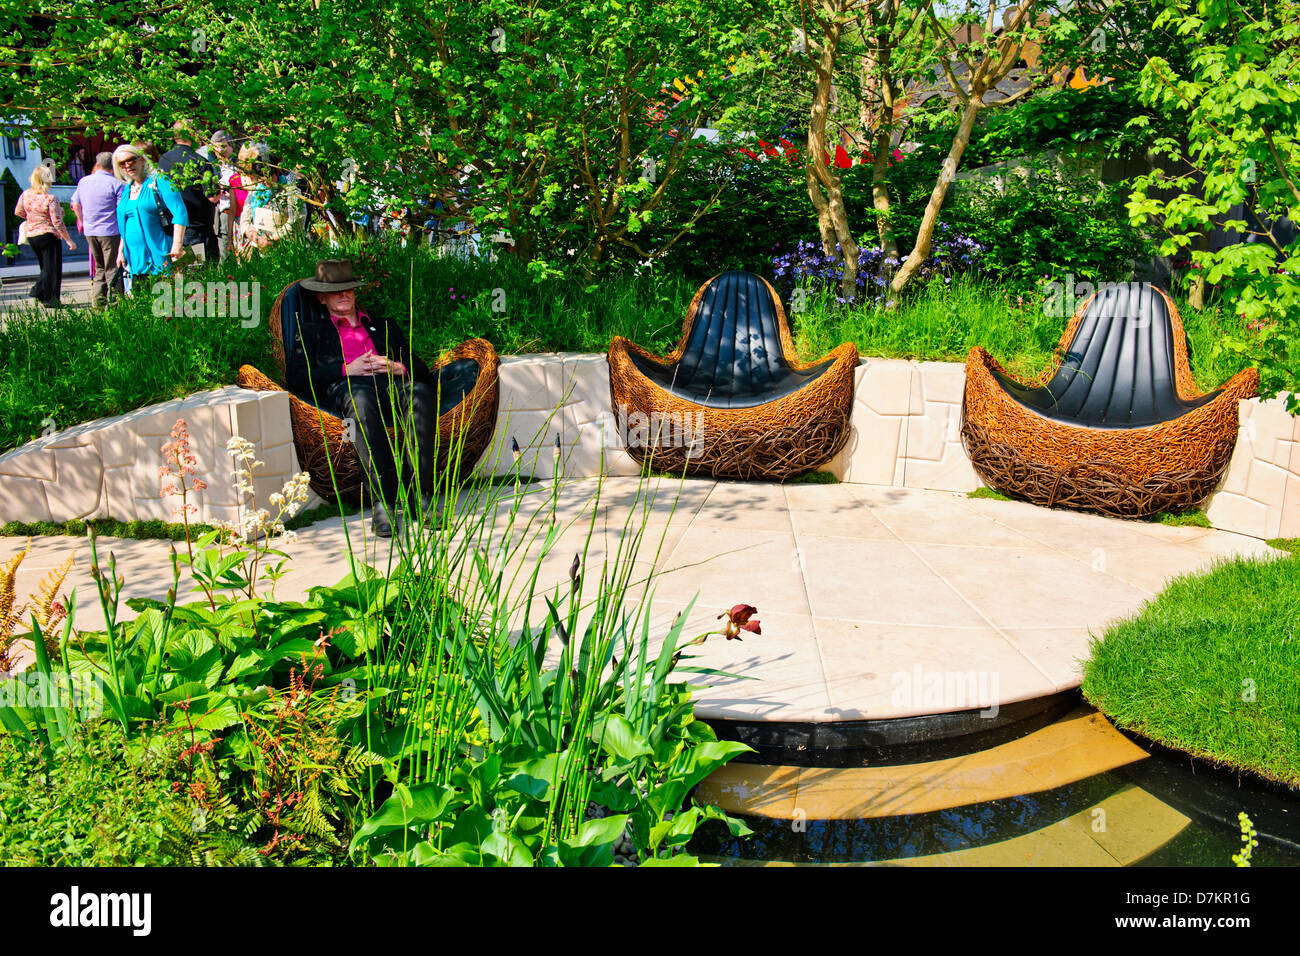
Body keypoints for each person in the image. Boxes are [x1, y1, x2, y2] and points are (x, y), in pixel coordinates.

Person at [286, 259, 439, 537]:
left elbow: (421, 369)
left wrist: (397, 367)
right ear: (322, 298)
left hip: (390, 382)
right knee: (360, 403)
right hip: (348, 387)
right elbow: (296, 376)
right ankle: (384, 501)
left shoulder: (383, 326)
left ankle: (421, 494)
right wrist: (346, 369)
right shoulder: (311, 331)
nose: (344, 295)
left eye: (348, 290)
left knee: (420, 392)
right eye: (336, 291)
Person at [112, 144, 189, 282]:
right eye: (122, 164)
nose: (127, 165)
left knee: (165, 300)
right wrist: (120, 251)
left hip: (160, 253)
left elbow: (180, 212)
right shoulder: (127, 190)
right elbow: (126, 224)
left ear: (142, 159)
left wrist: (177, 245)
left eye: (131, 160)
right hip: (135, 260)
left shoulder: (160, 181)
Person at [14, 165, 77, 307]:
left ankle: (43, 296)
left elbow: (18, 212)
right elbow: (57, 222)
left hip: (32, 235)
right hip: (48, 235)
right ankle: (48, 298)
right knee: (53, 268)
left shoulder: (25, 195)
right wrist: (68, 240)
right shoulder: (50, 198)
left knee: (45, 267)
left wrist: (32, 217)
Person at [158, 121, 220, 263]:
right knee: (206, 277)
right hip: (199, 230)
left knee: (184, 277)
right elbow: (212, 197)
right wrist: (221, 189)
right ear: (191, 135)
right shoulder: (199, 161)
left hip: (173, 230)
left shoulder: (163, 160)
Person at [70, 151, 125, 308]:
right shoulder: (115, 184)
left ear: (98, 164)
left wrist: (83, 220)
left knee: (99, 266)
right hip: (110, 231)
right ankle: (116, 303)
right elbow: (121, 209)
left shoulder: (84, 181)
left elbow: (75, 205)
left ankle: (98, 301)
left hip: (90, 231)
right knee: (112, 267)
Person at [238, 144, 303, 255]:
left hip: (285, 250)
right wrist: (254, 236)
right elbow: (245, 221)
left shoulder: (290, 192)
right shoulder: (254, 193)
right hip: (258, 249)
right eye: (261, 178)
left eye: (269, 176)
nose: (266, 181)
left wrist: (271, 239)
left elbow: (295, 222)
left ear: (276, 172)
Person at [198, 129, 237, 259]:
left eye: (224, 146)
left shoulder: (239, 165)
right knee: (224, 250)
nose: (220, 151)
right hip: (222, 213)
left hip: (239, 212)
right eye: (216, 148)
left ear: (231, 146)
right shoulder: (212, 167)